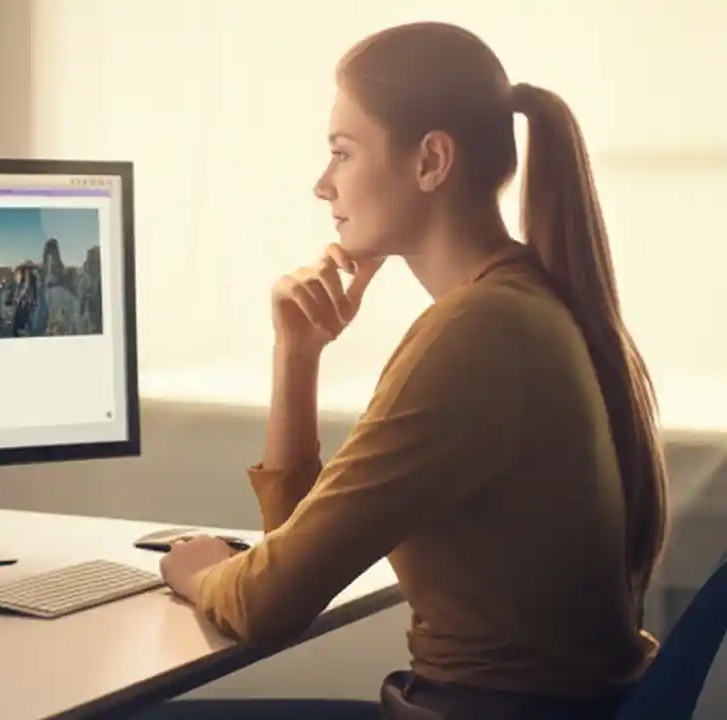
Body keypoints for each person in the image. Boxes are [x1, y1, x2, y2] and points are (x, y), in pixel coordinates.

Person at [145, 20, 666, 720]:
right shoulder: (527, 302)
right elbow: (296, 548)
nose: (322, 185)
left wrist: (199, 571)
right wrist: (296, 356)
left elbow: (267, 603)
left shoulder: (478, 334)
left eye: (342, 152)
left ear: (430, 162)